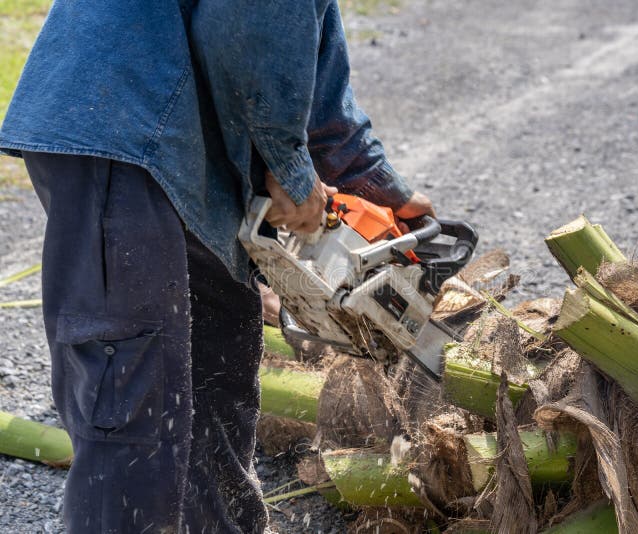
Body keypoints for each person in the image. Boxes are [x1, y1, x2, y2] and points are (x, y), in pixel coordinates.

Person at [0, 1, 433, 531]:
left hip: (183, 144)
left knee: (217, 371)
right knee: (133, 403)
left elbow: (319, 86)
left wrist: (384, 187)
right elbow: (245, 23)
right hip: (122, 121)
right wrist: (288, 170)